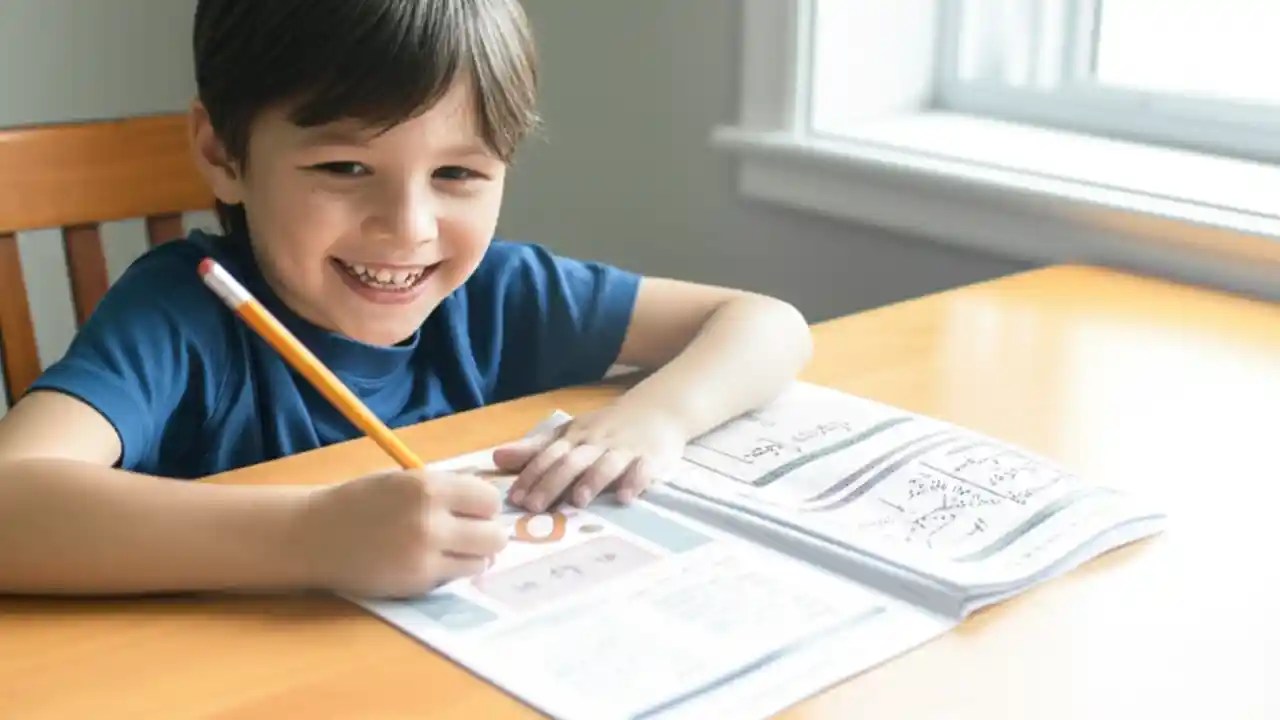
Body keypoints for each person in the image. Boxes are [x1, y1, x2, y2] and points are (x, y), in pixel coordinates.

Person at [0, 0, 811, 599]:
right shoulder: (180, 314)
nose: (408, 228)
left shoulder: (500, 292)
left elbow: (767, 325)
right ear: (222, 153)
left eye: (457, 174)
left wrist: (657, 416)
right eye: (345, 169)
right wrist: (312, 537)